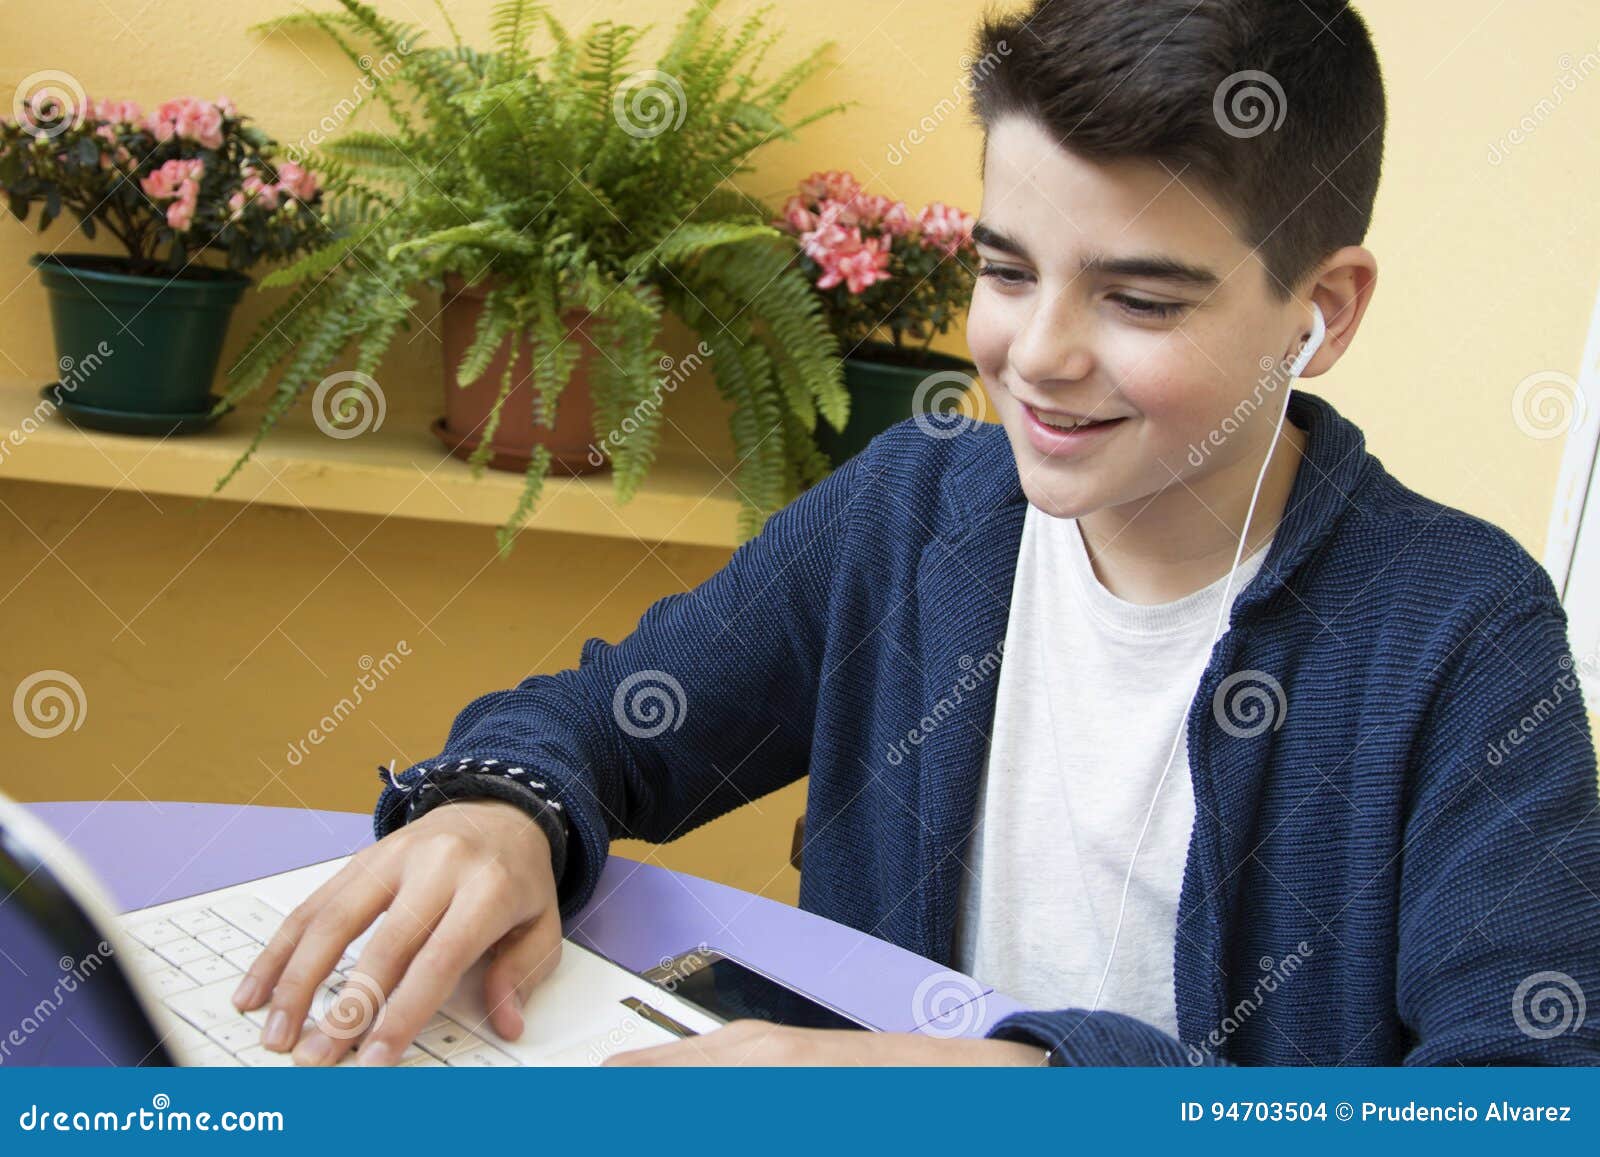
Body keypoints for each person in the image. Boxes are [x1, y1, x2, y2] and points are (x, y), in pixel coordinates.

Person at [231, 0, 1600, 1066]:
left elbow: (1524, 1098)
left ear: (1324, 312)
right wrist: (500, 814)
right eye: (1005, 269)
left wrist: (1004, 1080)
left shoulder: (1463, 631)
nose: (1037, 355)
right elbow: (594, 724)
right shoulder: (917, 509)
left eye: (1139, 298)